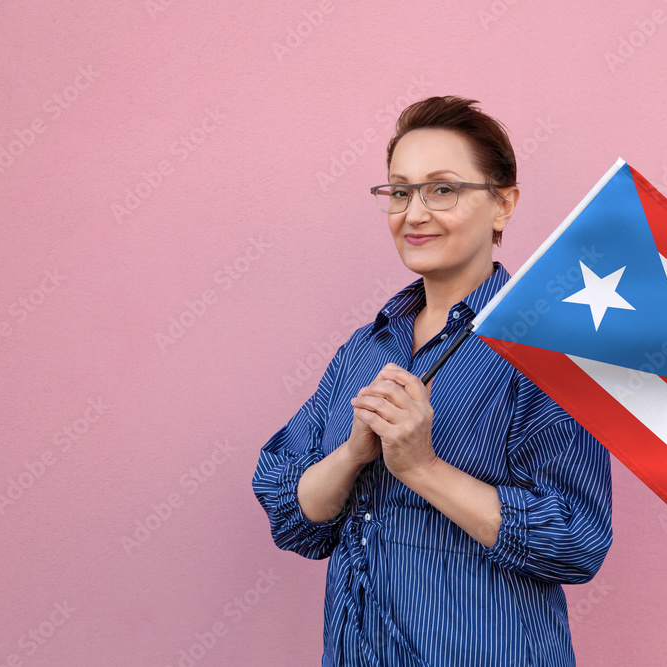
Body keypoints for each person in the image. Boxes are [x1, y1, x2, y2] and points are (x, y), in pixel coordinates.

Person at [252, 96, 613, 666]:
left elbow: (575, 541)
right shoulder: (366, 348)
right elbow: (294, 517)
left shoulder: (544, 348)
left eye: (442, 189)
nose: (414, 214)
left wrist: (421, 466)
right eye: (399, 192)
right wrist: (351, 455)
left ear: (502, 205)